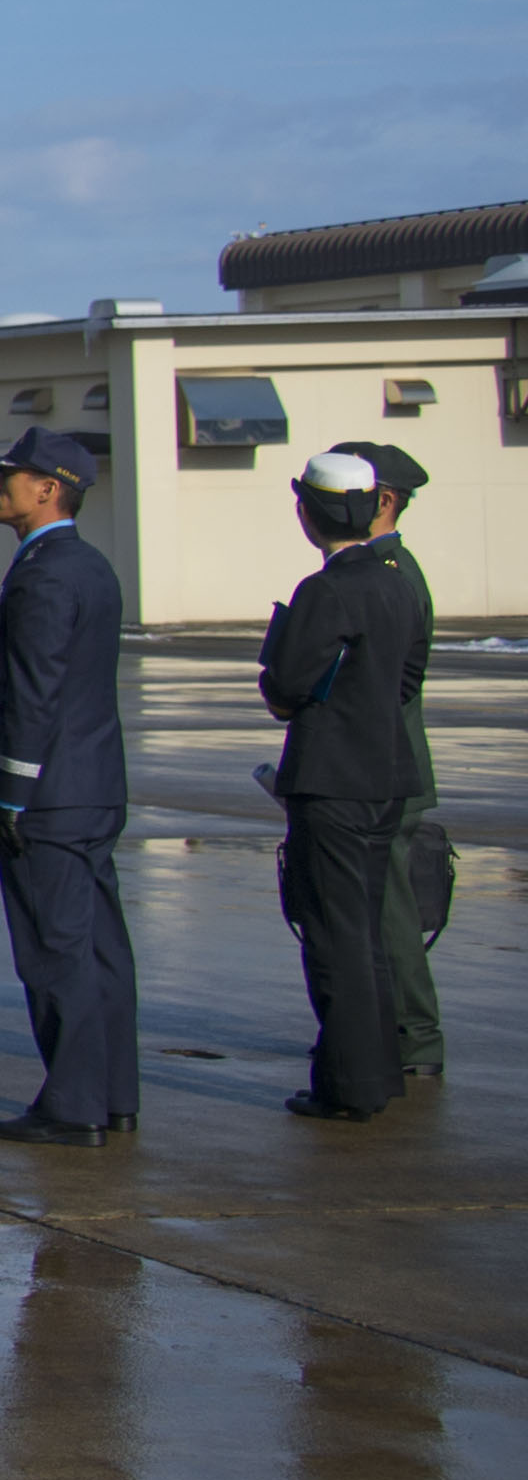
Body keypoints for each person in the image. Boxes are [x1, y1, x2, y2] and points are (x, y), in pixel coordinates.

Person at [0, 429, 134, 1147]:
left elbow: (32, 696)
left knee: (56, 949)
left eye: (11, 475)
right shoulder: (88, 564)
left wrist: (10, 793)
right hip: (93, 783)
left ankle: (73, 1104)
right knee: (100, 948)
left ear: (49, 488)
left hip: (51, 792)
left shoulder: (43, 573)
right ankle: (112, 1093)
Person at [261, 448, 427, 1123]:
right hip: (386, 776)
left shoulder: (325, 590)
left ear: (311, 512)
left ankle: (350, 1085)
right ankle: (378, 1072)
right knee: (366, 933)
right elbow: (407, 683)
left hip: (332, 780)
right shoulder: (397, 581)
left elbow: (288, 688)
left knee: (334, 938)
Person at [347, 441, 450, 1084]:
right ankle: (392, 1031)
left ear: (383, 501)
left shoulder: (392, 573)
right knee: (373, 914)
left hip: (383, 770)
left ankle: (416, 1039)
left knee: (393, 917)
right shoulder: (378, 569)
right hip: (373, 768)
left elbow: (392, 684)